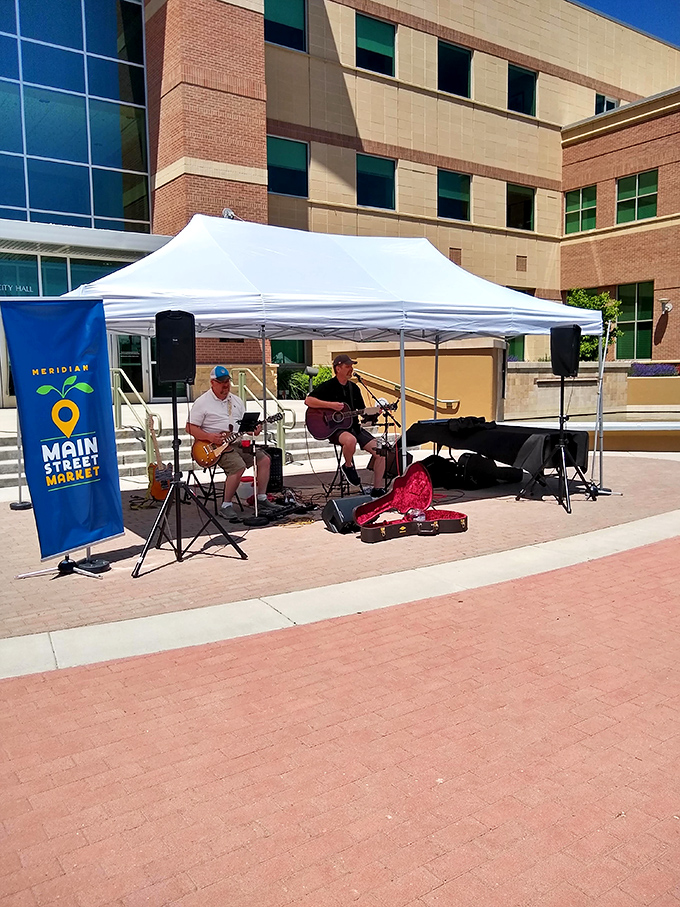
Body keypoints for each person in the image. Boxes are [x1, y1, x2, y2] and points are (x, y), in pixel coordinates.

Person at [186, 366, 277, 521]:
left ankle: (261, 498)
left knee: (265, 459)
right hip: (213, 447)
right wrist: (209, 437)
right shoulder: (202, 402)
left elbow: (244, 427)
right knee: (238, 466)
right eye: (221, 383)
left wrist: (253, 429)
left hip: (235, 442)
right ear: (212, 383)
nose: (225, 386)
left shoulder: (236, 401)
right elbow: (189, 427)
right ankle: (226, 505)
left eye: (227, 382)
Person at [305, 354, 386, 496]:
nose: (351, 369)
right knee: (350, 440)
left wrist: (374, 414)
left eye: (351, 366)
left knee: (381, 451)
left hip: (354, 427)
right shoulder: (328, 386)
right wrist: (331, 405)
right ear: (338, 368)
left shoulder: (354, 388)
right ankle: (348, 466)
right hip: (335, 429)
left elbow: (362, 412)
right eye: (347, 366)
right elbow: (308, 401)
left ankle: (377, 489)